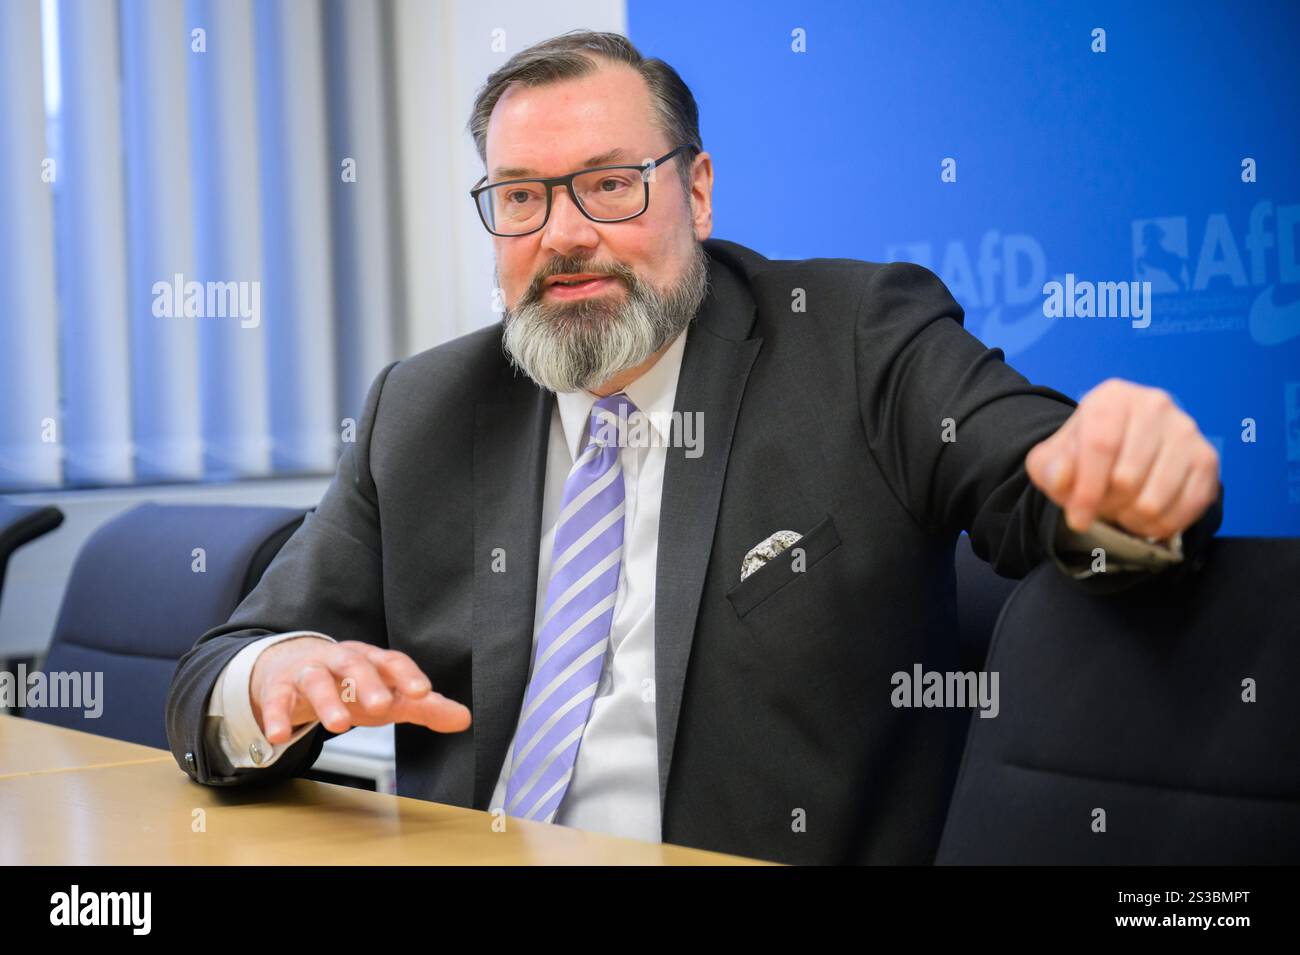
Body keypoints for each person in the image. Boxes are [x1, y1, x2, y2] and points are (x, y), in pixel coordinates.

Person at [166, 30, 1223, 865]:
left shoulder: (856, 337)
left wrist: (1125, 485)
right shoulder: (425, 407)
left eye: (611, 182)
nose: (564, 232)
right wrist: (273, 677)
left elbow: (1041, 481)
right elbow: (219, 670)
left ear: (698, 191)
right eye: (522, 197)